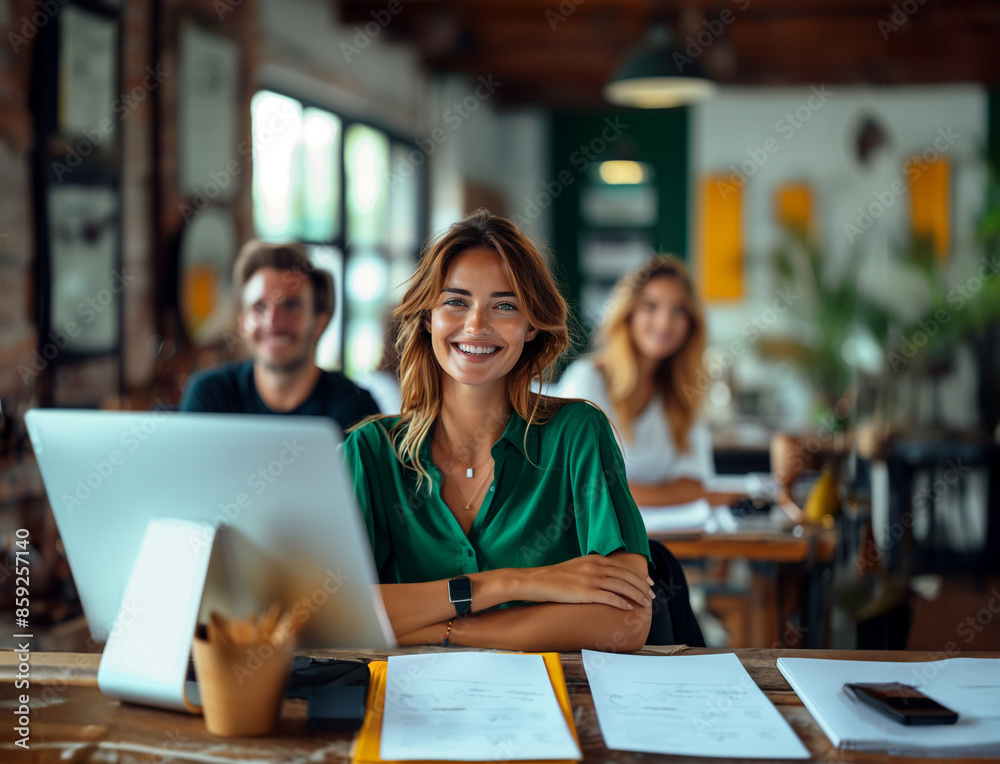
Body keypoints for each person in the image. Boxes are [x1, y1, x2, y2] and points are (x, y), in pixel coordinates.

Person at [342, 210, 655, 652]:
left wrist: (442, 631)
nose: (476, 325)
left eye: (505, 305)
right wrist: (512, 583)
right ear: (428, 317)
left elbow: (627, 619)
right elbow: (335, 612)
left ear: (531, 327)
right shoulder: (369, 452)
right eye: (456, 301)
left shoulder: (579, 435)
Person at [557, 255, 738, 507]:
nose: (664, 322)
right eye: (650, 306)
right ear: (628, 313)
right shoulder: (586, 382)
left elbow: (694, 483)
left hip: (668, 538)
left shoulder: (684, 389)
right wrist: (693, 495)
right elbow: (586, 489)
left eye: (678, 310)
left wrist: (693, 493)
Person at [180, 240, 379, 432]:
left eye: (291, 306)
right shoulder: (210, 397)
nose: (272, 322)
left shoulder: (355, 409)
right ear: (242, 323)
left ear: (320, 322)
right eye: (259, 307)